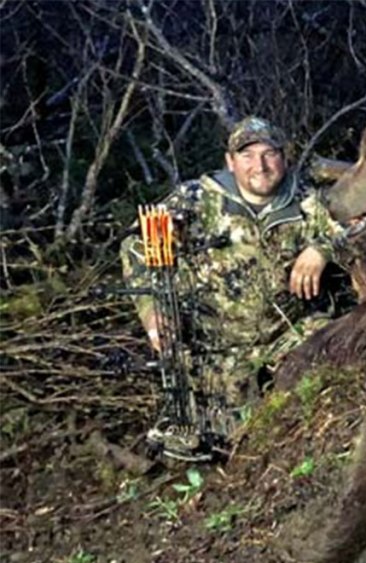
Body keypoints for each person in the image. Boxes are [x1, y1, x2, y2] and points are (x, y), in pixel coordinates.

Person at [120, 116, 351, 457]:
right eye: (247, 155)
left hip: (291, 332)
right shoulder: (193, 201)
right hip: (217, 348)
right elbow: (137, 247)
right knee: (216, 443)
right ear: (230, 162)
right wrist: (152, 313)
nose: (260, 165)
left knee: (326, 388)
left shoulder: (308, 200)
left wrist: (323, 249)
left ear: (283, 157)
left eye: (269, 154)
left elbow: (364, 229)